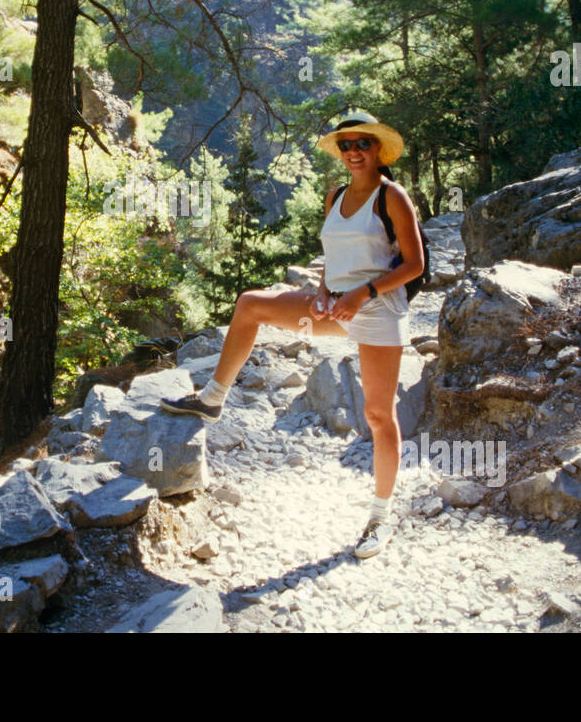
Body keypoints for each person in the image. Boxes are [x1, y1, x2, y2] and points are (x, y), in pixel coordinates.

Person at [161, 111, 425, 559]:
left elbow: (414, 265)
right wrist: (323, 291)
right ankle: (212, 398)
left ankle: (380, 519)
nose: (354, 152)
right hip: (337, 305)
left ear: (378, 149)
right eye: (346, 145)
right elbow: (334, 257)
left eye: (362, 143)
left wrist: (361, 293)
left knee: (379, 416)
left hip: (378, 310)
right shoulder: (335, 197)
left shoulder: (391, 196)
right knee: (250, 305)